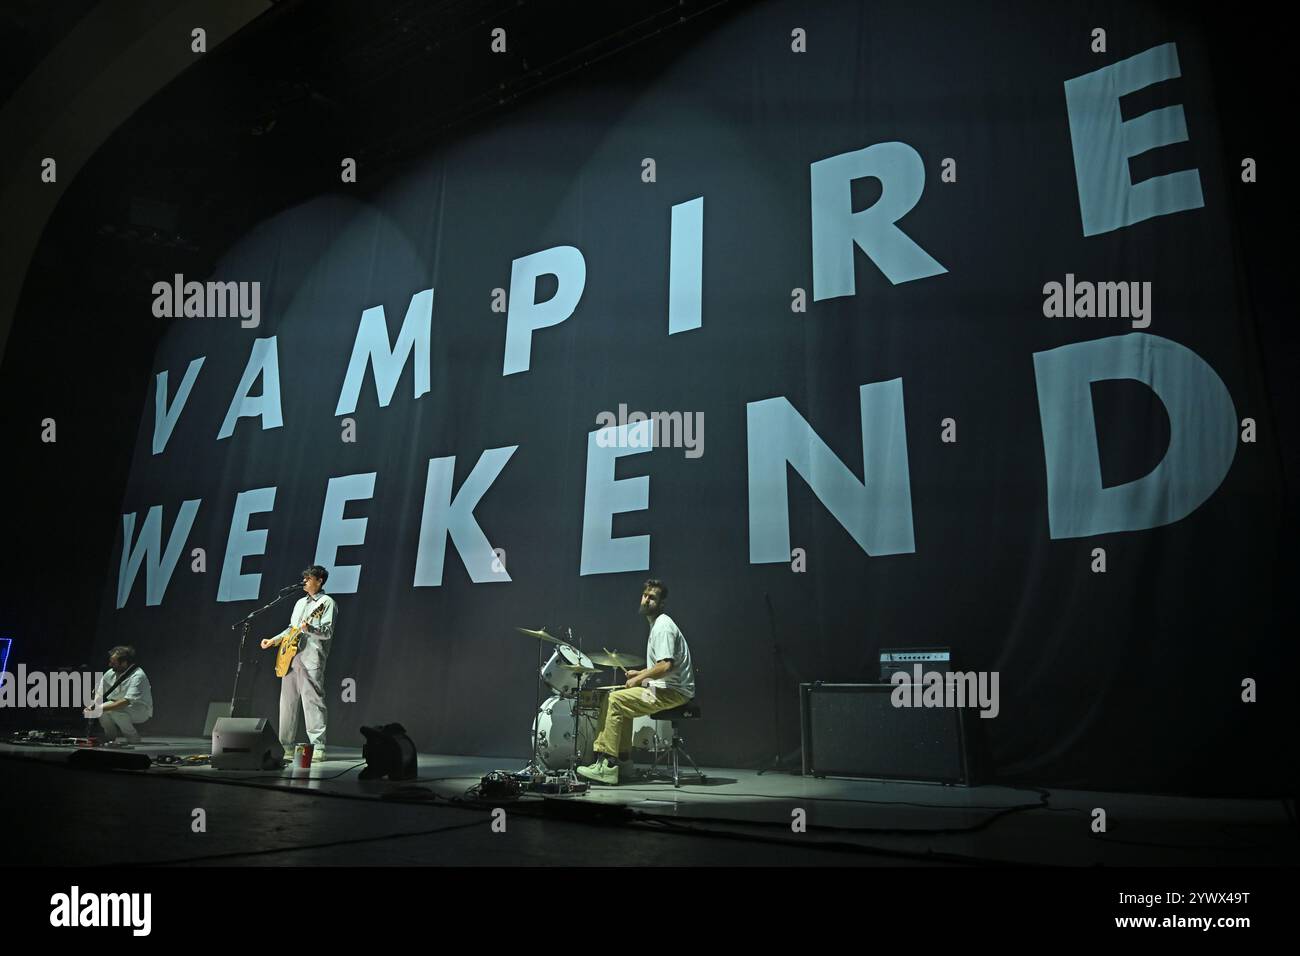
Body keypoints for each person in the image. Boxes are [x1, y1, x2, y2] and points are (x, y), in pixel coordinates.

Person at [577, 578, 695, 785]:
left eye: (653, 598)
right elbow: (663, 667)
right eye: (645, 596)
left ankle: (607, 766)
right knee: (622, 702)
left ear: (661, 603)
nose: (647, 600)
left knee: (614, 700)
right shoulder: (657, 624)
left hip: (674, 692)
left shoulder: (663, 627)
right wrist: (639, 674)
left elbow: (666, 665)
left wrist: (640, 678)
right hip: (665, 689)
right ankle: (623, 763)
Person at [261, 565, 337, 763]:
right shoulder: (299, 603)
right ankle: (285, 745)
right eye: (304, 578)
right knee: (287, 703)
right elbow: (290, 630)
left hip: (311, 658)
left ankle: (318, 746)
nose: (305, 581)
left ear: (319, 580)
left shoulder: (327, 603)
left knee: (312, 703)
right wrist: (273, 640)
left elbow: (327, 632)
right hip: (291, 658)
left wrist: (309, 627)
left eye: (309, 578)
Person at [84, 645, 153, 743]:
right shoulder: (110, 673)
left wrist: (99, 708)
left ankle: (133, 737)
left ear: (124, 663)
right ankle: (110, 736)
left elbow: (125, 702)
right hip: (118, 705)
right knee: (104, 708)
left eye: (113, 663)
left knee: (113, 710)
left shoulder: (138, 676)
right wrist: (94, 705)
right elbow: (99, 692)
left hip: (139, 709)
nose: (109, 665)